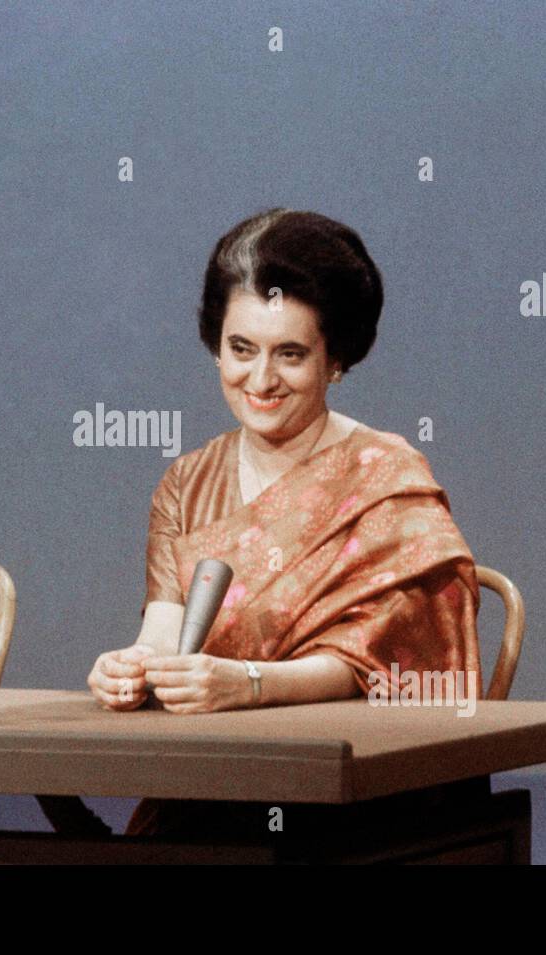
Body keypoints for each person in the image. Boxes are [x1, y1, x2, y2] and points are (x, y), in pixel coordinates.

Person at [84, 209, 483, 840]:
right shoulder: (186, 484)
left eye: (290, 355)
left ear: (336, 362)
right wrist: (131, 669)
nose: (261, 380)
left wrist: (249, 685)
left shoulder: (385, 476)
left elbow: (375, 666)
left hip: (362, 801)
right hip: (217, 790)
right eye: (240, 350)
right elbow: (165, 634)